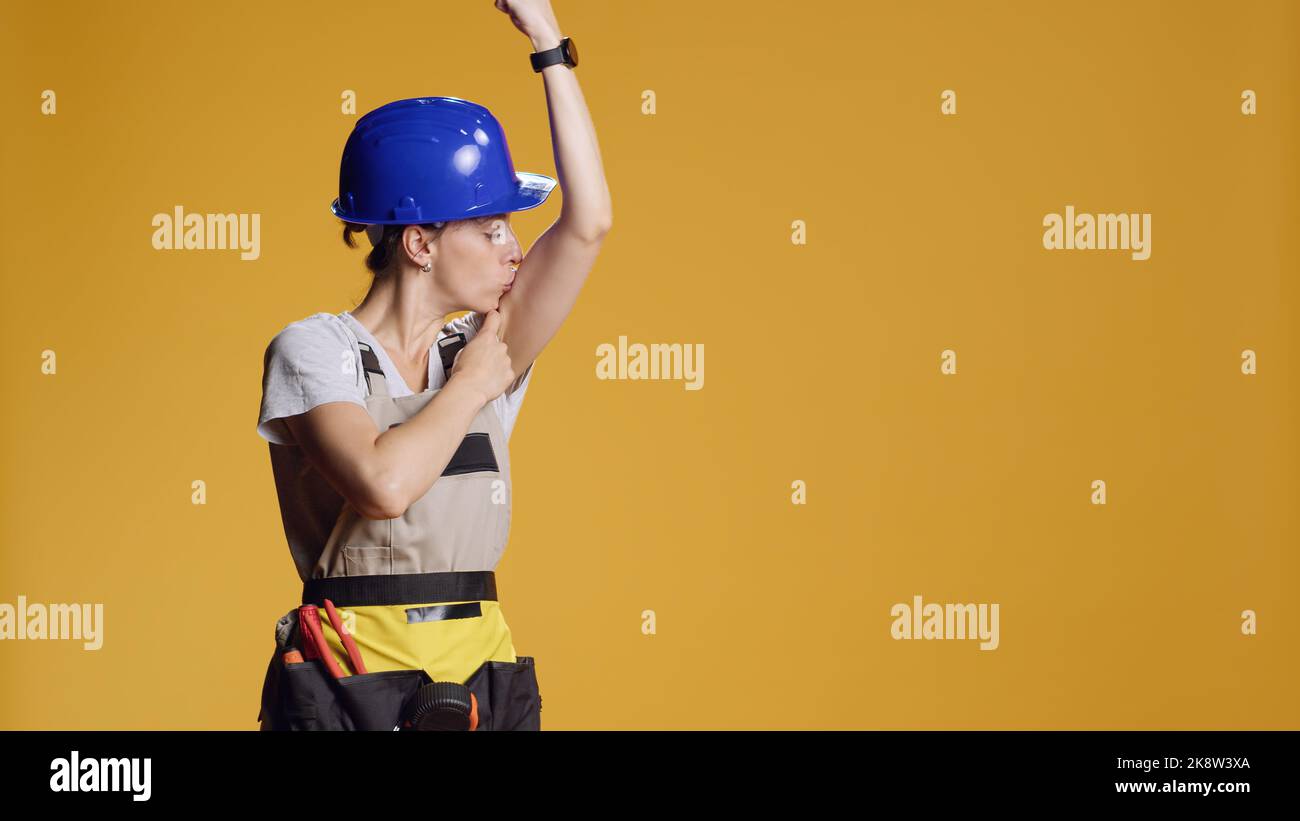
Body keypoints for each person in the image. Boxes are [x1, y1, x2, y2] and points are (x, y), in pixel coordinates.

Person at [254, 0, 611, 731]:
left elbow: (589, 223)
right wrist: (481, 379)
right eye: (491, 228)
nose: (515, 249)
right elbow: (383, 484)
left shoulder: (483, 342)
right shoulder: (316, 350)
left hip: (480, 679)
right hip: (350, 692)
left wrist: (548, 44)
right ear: (420, 244)